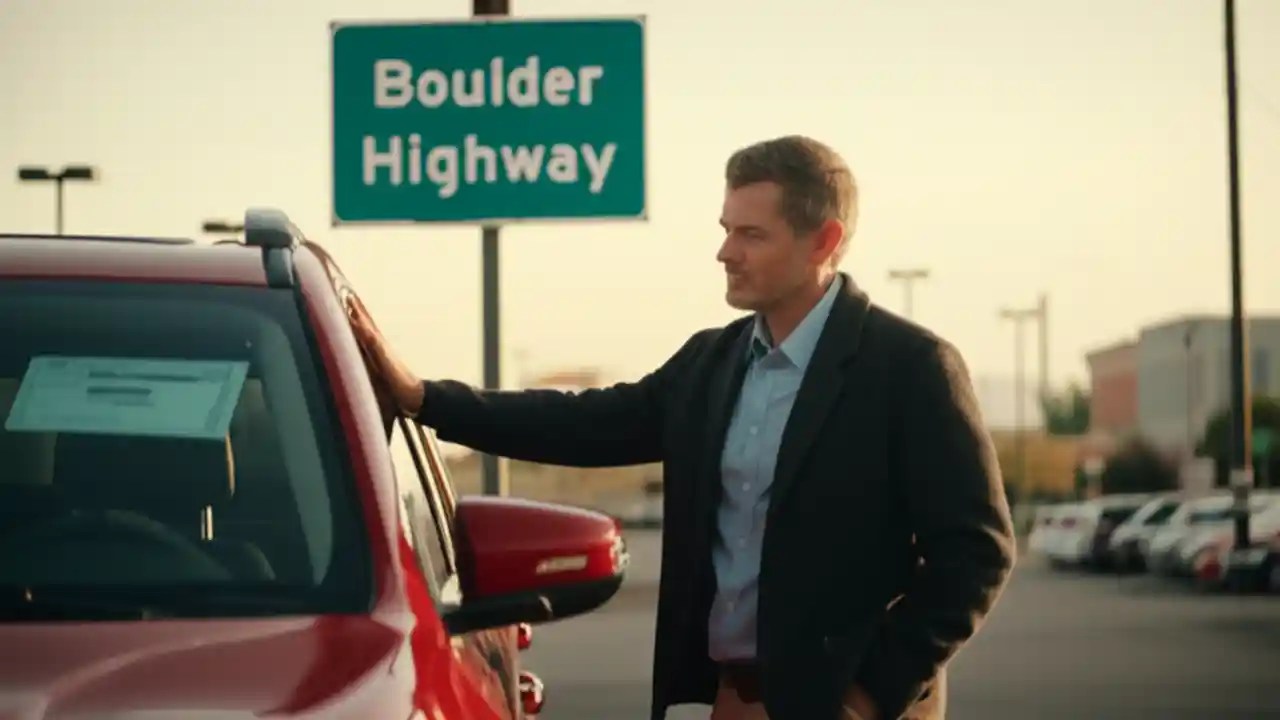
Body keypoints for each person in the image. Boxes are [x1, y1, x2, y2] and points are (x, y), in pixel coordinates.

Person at [348, 135, 1016, 720]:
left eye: (752, 234)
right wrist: (425, 398)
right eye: (726, 228)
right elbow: (583, 423)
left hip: (850, 704)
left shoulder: (910, 368)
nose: (725, 251)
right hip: (733, 699)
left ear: (826, 240)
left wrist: (868, 697)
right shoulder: (713, 362)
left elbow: (976, 555)